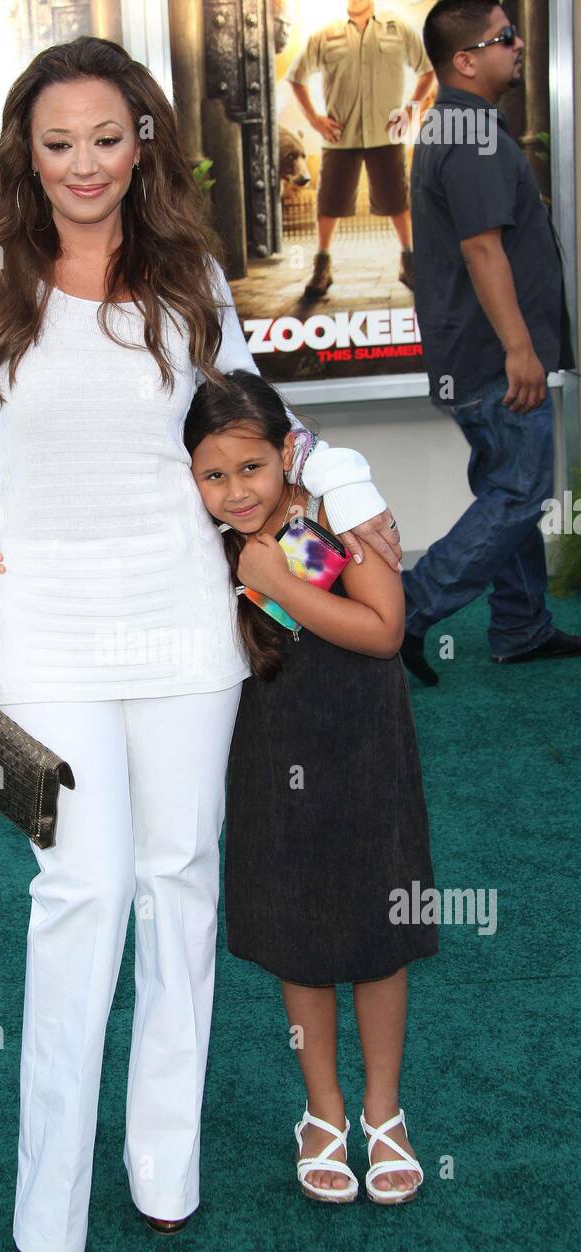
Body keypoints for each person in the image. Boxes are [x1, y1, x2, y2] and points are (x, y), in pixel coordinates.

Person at [0, 35, 404, 1252]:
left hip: (189, 626)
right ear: (25, 156)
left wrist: (340, 482)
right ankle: (47, 1202)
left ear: (142, 140)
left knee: (179, 886)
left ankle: (164, 1169)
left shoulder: (187, 272)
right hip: (44, 637)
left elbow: (250, 424)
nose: (83, 164)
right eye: (56, 142)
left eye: (104, 137)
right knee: (78, 893)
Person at [185, 368, 437, 1204]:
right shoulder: (199, 535)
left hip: (364, 743)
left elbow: (384, 629)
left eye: (250, 468)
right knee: (299, 931)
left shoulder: (323, 517)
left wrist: (281, 579)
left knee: (379, 927)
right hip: (271, 750)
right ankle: (322, 1112)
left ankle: (384, 1112)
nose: (234, 490)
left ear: (288, 453)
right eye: (213, 474)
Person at [400, 0, 579, 685]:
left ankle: (520, 626)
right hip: (491, 357)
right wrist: (520, 349)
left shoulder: (462, 125)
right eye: (506, 38)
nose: (519, 46)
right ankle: (411, 609)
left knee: (507, 485)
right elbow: (481, 250)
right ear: (466, 59)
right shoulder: (469, 134)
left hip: (473, 354)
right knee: (519, 492)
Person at [285, 0, 435, 299]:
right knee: (328, 203)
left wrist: (410, 111)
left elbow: (427, 71)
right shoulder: (325, 34)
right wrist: (315, 119)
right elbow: (296, 77)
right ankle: (322, 266)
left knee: (398, 201)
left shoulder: (397, 29)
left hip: (386, 132)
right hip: (341, 136)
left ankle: (409, 260)